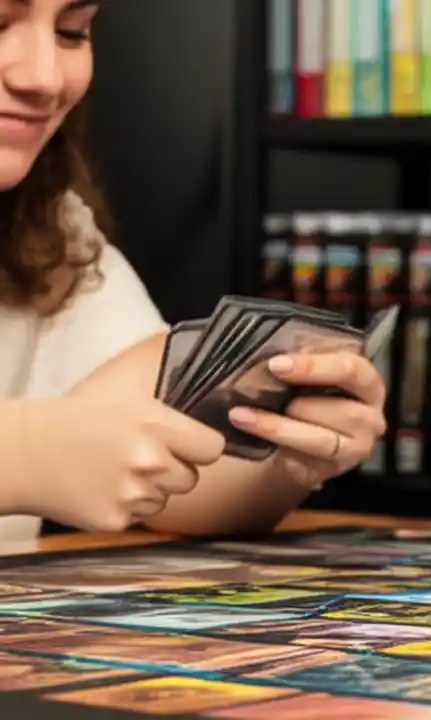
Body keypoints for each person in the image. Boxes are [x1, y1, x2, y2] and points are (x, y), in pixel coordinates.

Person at [0, 0, 387, 539]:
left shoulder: (50, 228)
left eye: (71, 33)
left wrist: (288, 444)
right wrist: (18, 453)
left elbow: (180, 475)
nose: (42, 77)